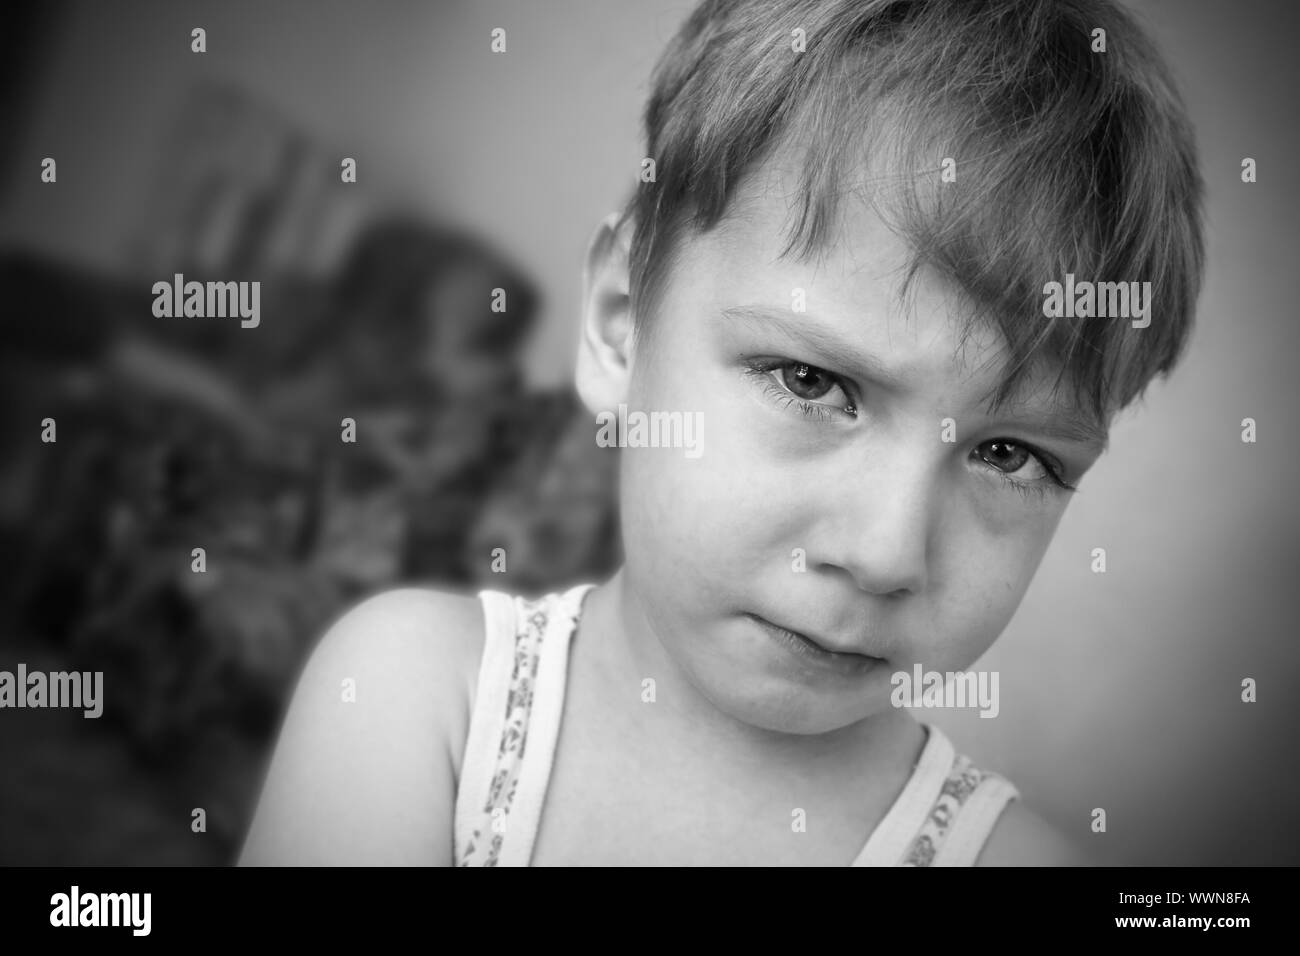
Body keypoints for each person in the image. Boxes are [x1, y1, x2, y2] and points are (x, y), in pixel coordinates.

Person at [238, 0, 1204, 866]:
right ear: (621, 322)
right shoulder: (414, 704)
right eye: (812, 381)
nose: (885, 554)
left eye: (1011, 455)